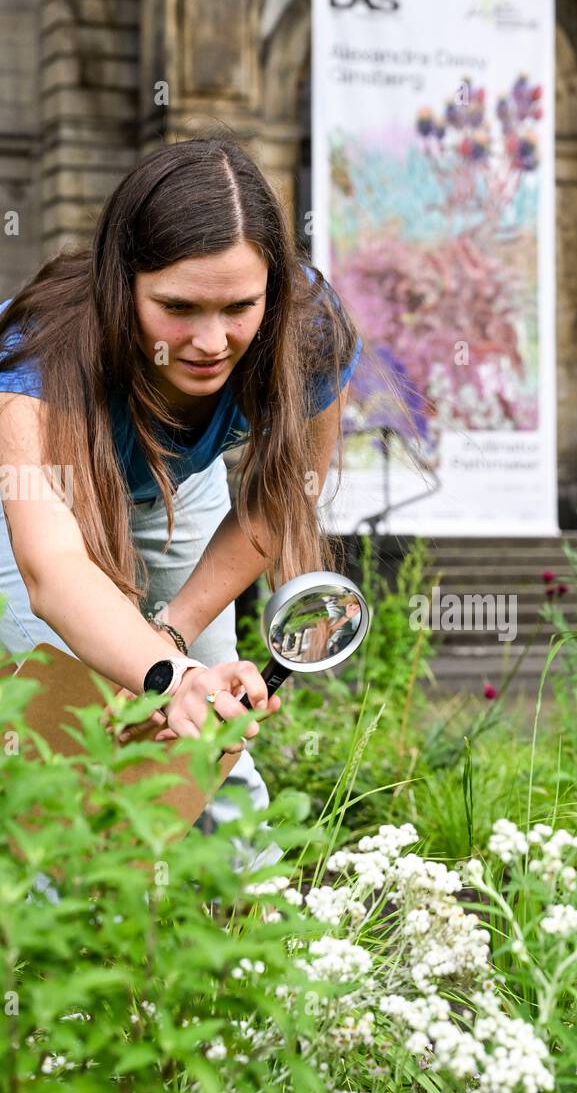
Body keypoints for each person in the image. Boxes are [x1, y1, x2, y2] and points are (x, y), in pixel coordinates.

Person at [0, 134, 362, 874]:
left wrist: (179, 645)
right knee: (52, 727)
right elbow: (54, 571)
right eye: (177, 307)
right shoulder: (35, 354)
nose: (210, 341)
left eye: (239, 307)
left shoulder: (308, 330)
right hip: (41, 504)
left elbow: (280, 497)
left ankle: (255, 943)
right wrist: (163, 675)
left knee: (215, 724)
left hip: (178, 480)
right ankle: (48, 965)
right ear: (121, 283)